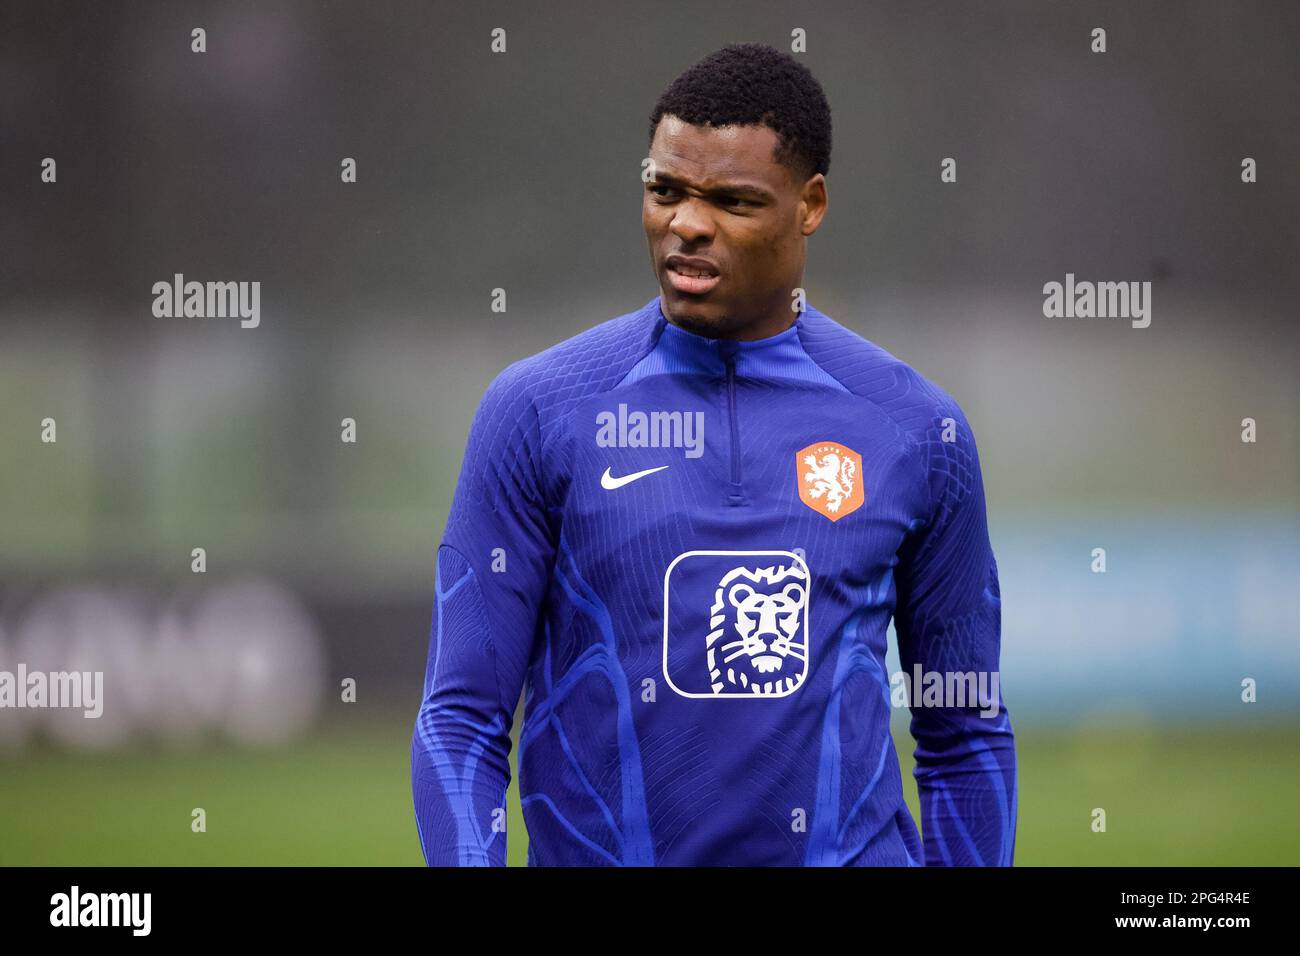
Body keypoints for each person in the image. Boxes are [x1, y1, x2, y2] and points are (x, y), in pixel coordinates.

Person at [412, 42, 1016, 866]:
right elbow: (462, 720)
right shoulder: (538, 411)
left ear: (811, 205)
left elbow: (964, 731)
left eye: (732, 200)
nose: (686, 225)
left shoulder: (918, 431)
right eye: (664, 190)